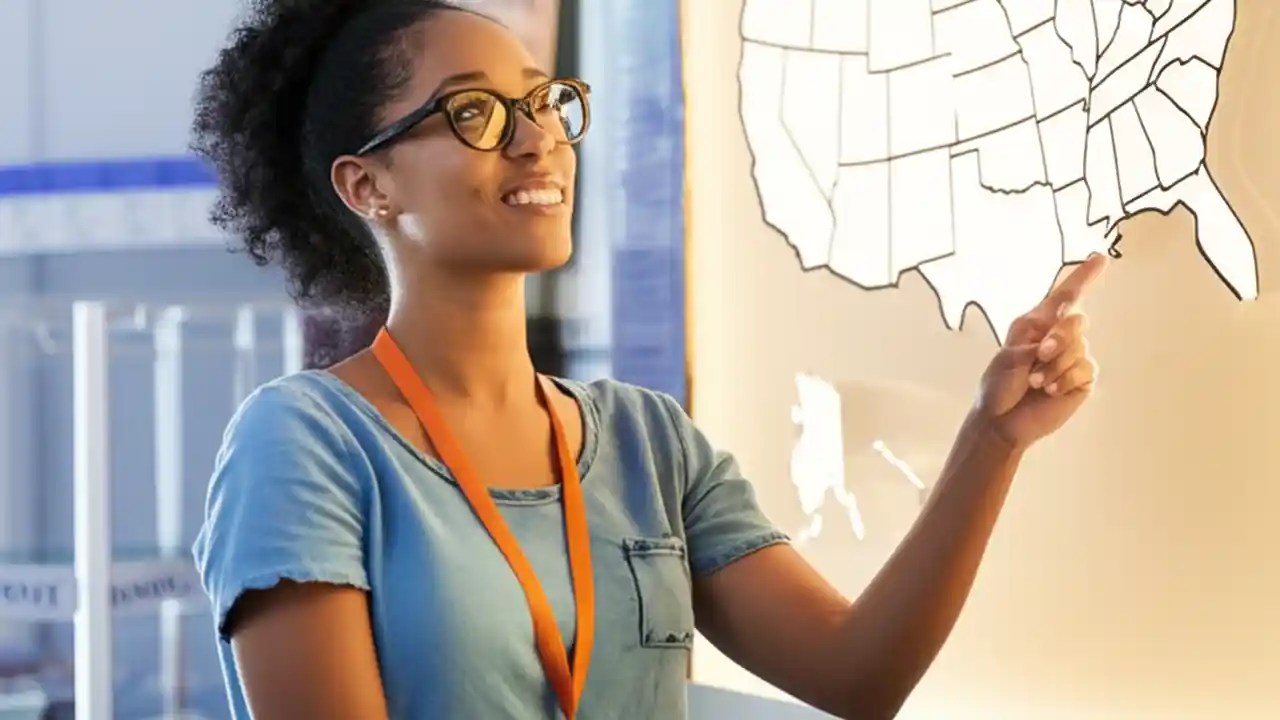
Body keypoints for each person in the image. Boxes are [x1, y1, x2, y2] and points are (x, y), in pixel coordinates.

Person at [188, 1, 1109, 719]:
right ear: (368, 184)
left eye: (545, 100)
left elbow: (856, 675)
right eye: (473, 110)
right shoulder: (305, 443)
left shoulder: (647, 442)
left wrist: (993, 440)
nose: (535, 134)